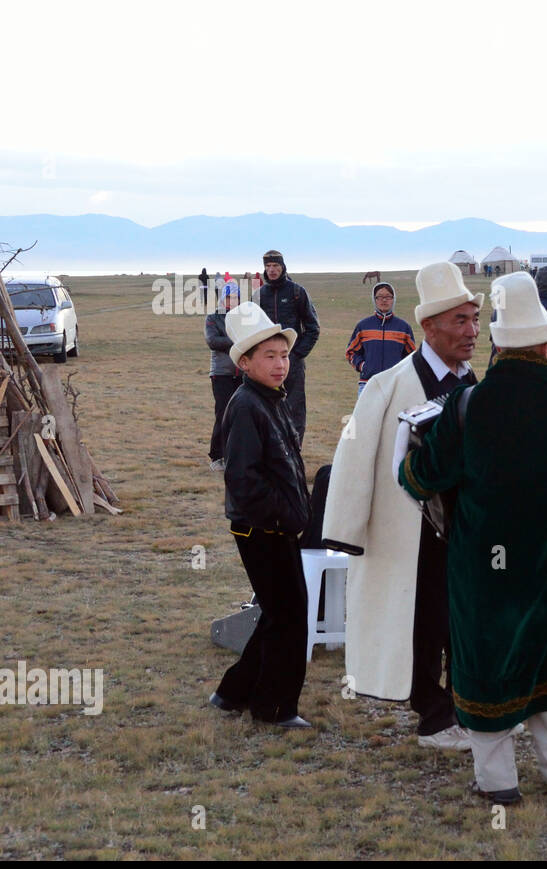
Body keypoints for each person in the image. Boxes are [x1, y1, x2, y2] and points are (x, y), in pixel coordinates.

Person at [398, 272, 547, 805]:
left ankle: (498, 781)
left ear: (500, 344)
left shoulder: (462, 407)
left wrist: (413, 449)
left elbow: (419, 478)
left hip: (483, 572)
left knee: (488, 664)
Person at [322, 263, 485, 751]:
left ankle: (462, 706)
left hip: (463, 532)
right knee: (417, 623)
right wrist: (346, 529)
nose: (473, 331)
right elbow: (354, 456)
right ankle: (432, 715)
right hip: (408, 535)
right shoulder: (387, 386)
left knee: (460, 620)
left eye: (476, 319)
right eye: (461, 321)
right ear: (429, 328)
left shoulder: (473, 381)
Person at [208, 301, 312, 729]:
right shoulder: (248, 404)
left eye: (283, 354)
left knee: (276, 611)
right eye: (269, 356)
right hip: (261, 529)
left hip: (273, 526)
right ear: (245, 363)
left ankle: (232, 693)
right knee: (290, 615)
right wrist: (285, 517)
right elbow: (244, 480)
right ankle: (273, 708)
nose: (280, 363)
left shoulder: (271, 398)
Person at [256, 250, 320, 445]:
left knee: (294, 406)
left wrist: (297, 355)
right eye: (268, 266)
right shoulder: (258, 295)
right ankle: (269, 450)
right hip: (266, 361)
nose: (272, 270)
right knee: (264, 404)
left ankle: (294, 450)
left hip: (291, 360)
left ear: (283, 267)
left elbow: (312, 327)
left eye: (276, 266)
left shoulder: (297, 292)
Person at [345, 281, 417, 395]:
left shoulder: (403, 328)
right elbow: (351, 352)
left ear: (393, 299)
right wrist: (363, 366)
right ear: (375, 300)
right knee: (367, 414)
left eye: (388, 296)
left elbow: (412, 357)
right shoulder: (363, 326)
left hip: (395, 386)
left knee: (395, 414)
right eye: (380, 297)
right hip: (368, 384)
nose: (384, 300)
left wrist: (402, 374)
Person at [204, 282, 243, 470]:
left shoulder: (245, 318)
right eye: (228, 297)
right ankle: (217, 456)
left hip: (243, 373)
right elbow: (213, 341)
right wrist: (237, 341)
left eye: (235, 297)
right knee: (223, 414)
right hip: (222, 374)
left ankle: (235, 455)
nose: (231, 301)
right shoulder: (213, 318)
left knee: (241, 415)